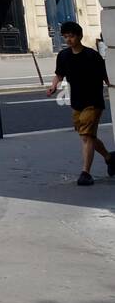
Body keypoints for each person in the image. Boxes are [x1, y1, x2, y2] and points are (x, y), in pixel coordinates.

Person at [47, 21, 115, 185]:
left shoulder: (92, 55)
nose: (68, 39)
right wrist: (53, 86)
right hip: (76, 102)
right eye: (65, 36)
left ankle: (85, 173)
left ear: (79, 36)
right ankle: (109, 157)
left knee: (86, 136)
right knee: (88, 136)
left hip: (93, 101)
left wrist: (111, 87)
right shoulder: (63, 56)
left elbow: (106, 76)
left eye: (71, 36)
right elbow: (59, 75)